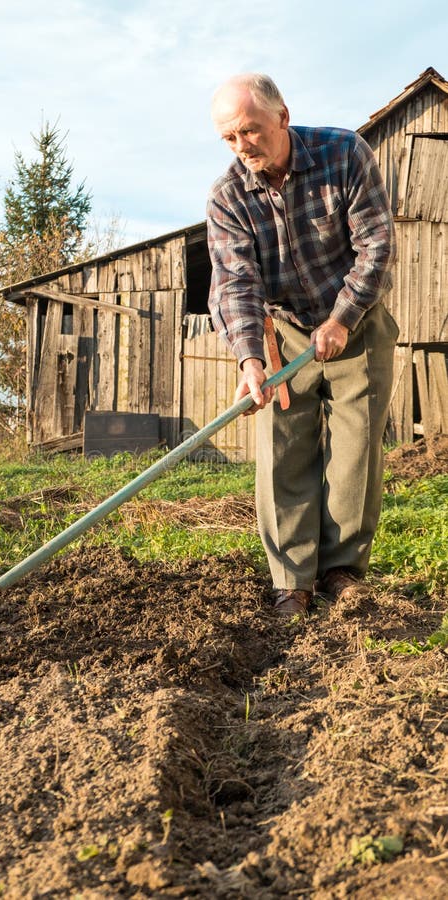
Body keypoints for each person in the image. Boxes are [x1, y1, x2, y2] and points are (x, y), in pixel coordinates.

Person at [206, 73, 398, 617]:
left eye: (251, 130)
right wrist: (248, 355)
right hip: (282, 330)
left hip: (356, 320)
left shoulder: (343, 154)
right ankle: (292, 580)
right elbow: (235, 283)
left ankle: (340, 571)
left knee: (355, 447)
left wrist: (342, 317)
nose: (243, 146)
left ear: (282, 117)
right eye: (229, 137)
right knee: (283, 446)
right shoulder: (228, 197)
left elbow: (378, 245)